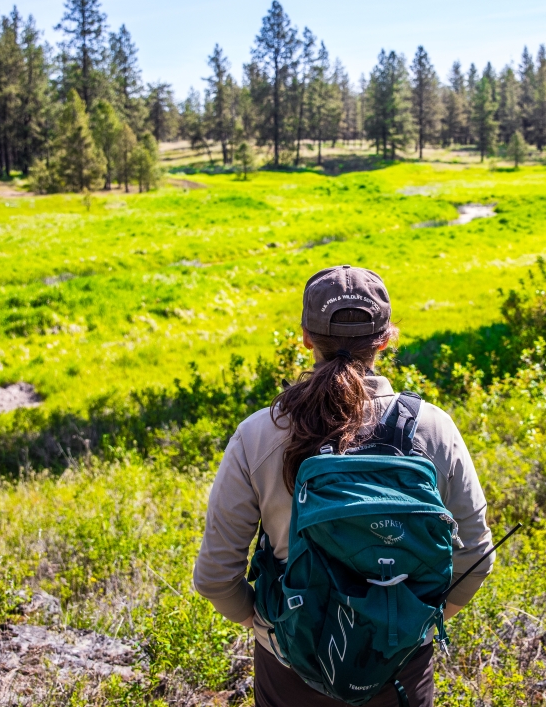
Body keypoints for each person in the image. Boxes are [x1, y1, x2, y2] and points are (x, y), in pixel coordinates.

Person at [193, 264, 495, 707]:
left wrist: (273, 628)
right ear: (386, 338)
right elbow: (475, 555)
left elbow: (216, 578)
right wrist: (419, 619)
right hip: (401, 666)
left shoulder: (258, 433)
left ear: (305, 337)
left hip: (289, 668)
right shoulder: (435, 428)